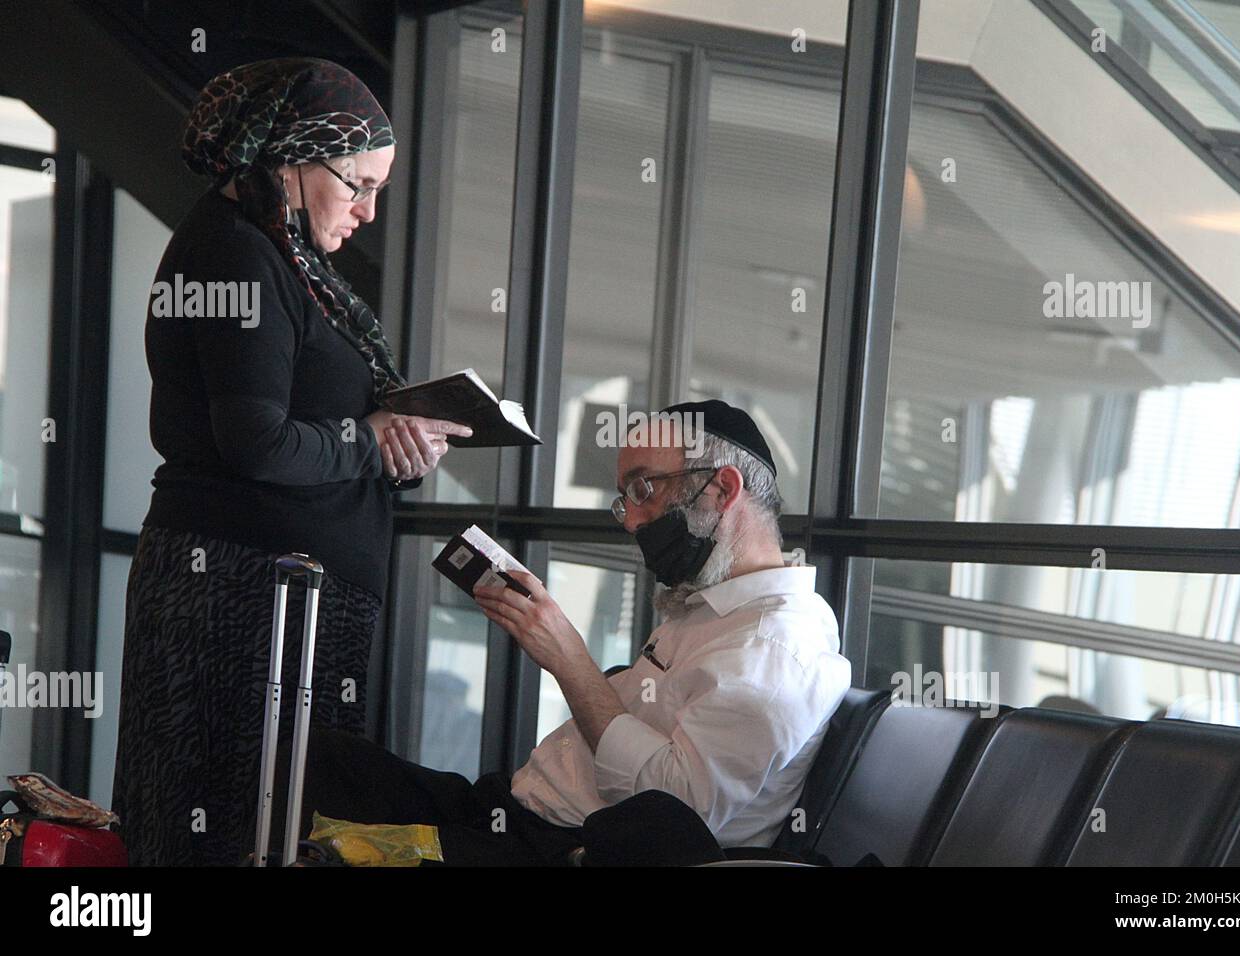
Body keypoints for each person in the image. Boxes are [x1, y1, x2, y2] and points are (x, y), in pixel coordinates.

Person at [111, 58, 469, 866]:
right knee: (212, 831)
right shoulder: (236, 254)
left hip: (279, 601)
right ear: (294, 160)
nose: (370, 211)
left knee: (271, 831)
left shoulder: (283, 254)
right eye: (358, 184)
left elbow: (313, 425)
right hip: (239, 598)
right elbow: (258, 440)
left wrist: (394, 440)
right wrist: (368, 439)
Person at [274, 400, 853, 865]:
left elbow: (673, 813)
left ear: (723, 490)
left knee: (323, 811)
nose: (629, 518)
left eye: (644, 489)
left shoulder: (776, 648)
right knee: (301, 754)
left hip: (553, 848)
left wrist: (568, 658)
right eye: (624, 498)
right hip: (509, 809)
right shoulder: (708, 611)